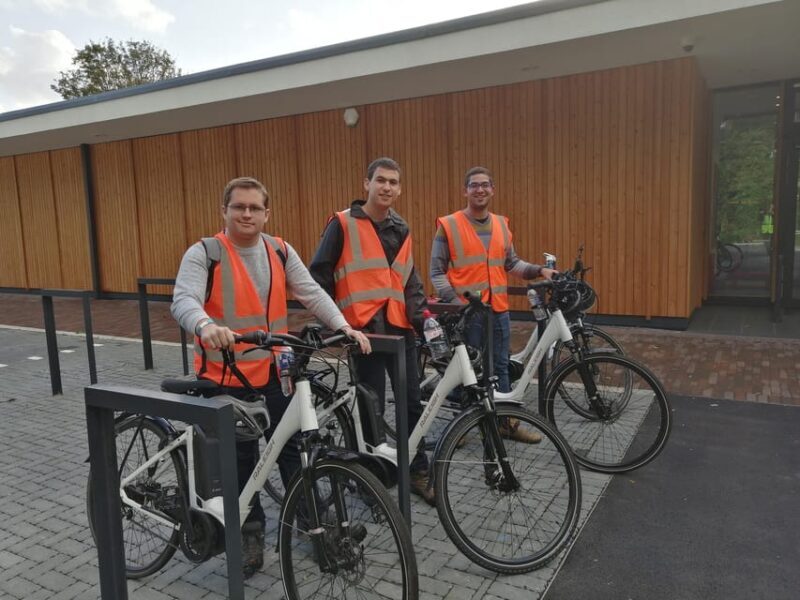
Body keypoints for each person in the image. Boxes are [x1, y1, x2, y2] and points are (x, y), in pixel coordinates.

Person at [171, 176, 370, 578]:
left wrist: (343, 326)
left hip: (276, 371)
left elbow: (311, 292)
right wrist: (205, 324)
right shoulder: (205, 253)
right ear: (223, 211)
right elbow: (184, 299)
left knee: (296, 450)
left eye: (254, 208)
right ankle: (249, 534)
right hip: (226, 377)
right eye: (238, 207)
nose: (246, 214)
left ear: (267, 213)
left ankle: (313, 526)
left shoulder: (279, 250)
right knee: (242, 464)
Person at [309, 157, 434, 505]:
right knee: (371, 409)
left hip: (400, 331)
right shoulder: (342, 224)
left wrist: (425, 319)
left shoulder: (401, 228)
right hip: (363, 335)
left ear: (399, 188)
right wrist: (338, 326)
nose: (387, 188)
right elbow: (318, 278)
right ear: (366, 184)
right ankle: (373, 476)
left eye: (394, 182)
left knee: (412, 403)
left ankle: (418, 470)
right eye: (381, 180)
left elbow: (410, 280)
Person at [430, 166, 555, 443]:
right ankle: (459, 429)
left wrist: (539, 270)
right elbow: (436, 272)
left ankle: (506, 423)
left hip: (498, 310)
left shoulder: (500, 224)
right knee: (468, 369)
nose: (480, 190)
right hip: (468, 314)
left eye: (485, 185)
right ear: (465, 191)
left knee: (500, 366)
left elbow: (512, 263)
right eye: (474, 185)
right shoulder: (449, 225)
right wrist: (455, 302)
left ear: (492, 190)